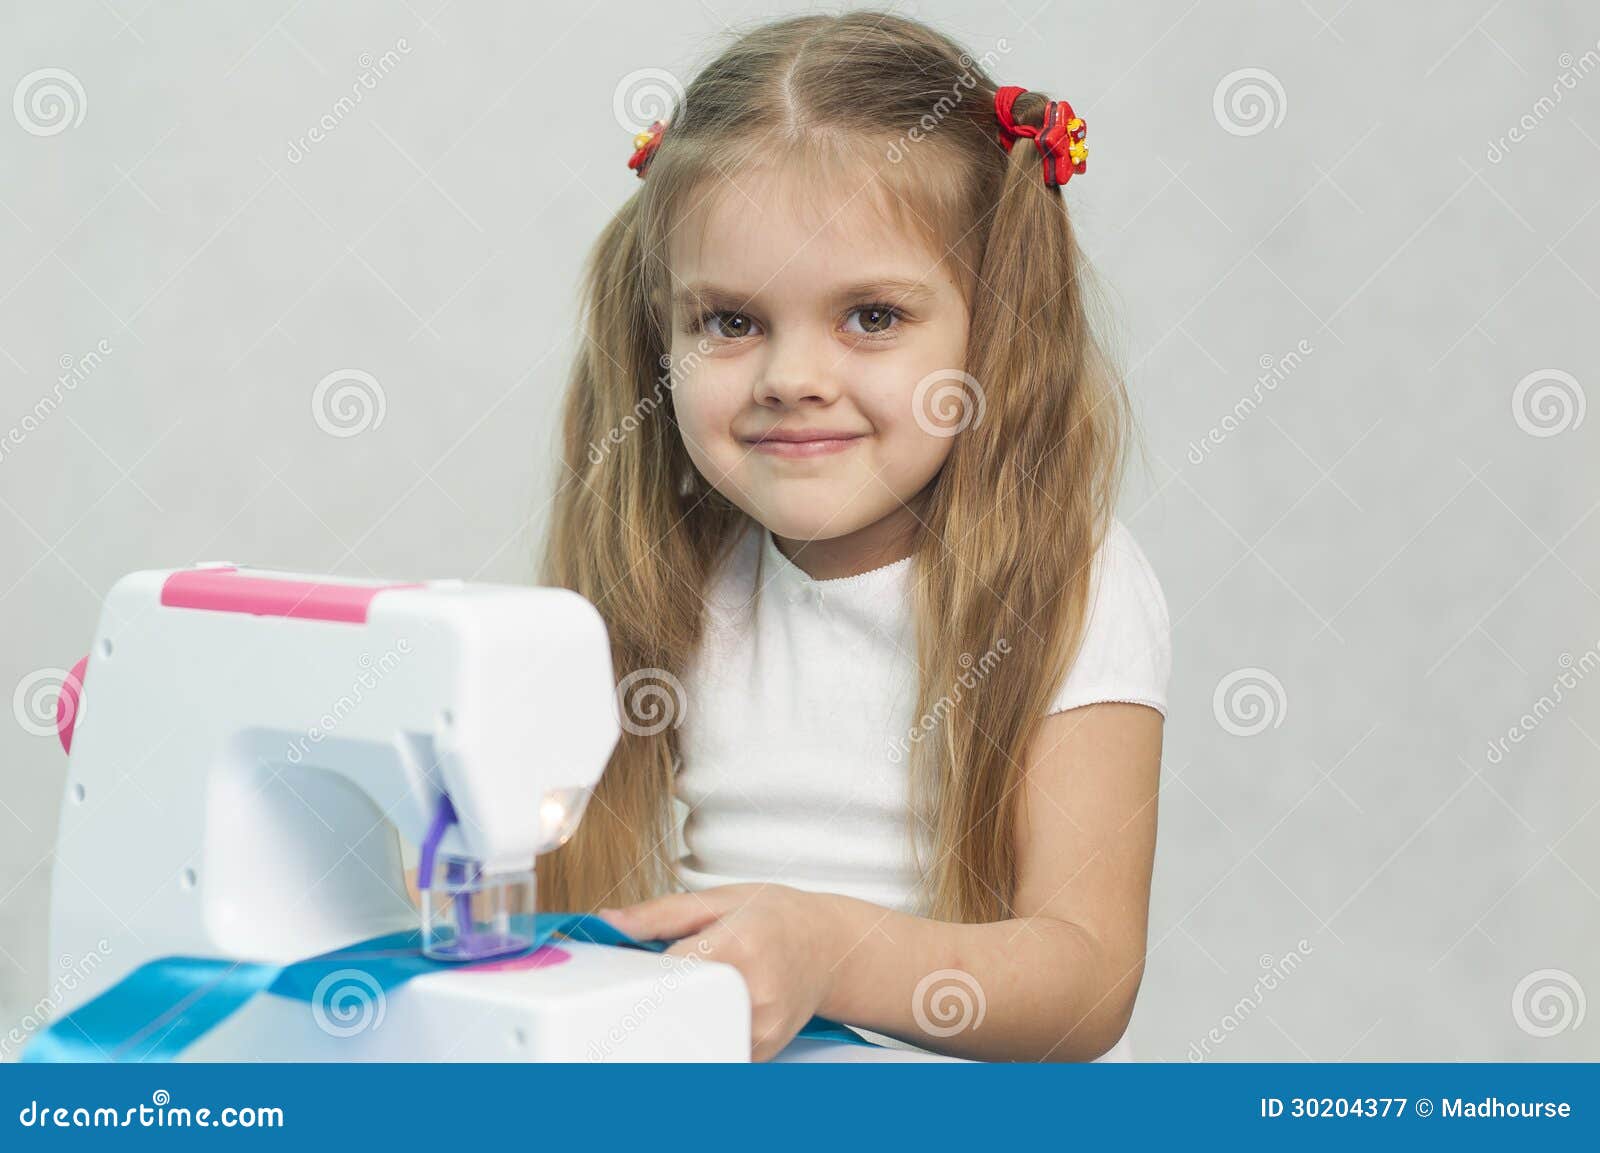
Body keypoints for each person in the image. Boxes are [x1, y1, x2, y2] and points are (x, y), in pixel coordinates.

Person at [539, 10, 1170, 1062]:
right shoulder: (681, 571)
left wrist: (828, 953)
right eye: (730, 322)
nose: (791, 377)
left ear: (994, 324)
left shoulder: (1071, 584)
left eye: (871, 316)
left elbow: (1087, 980)